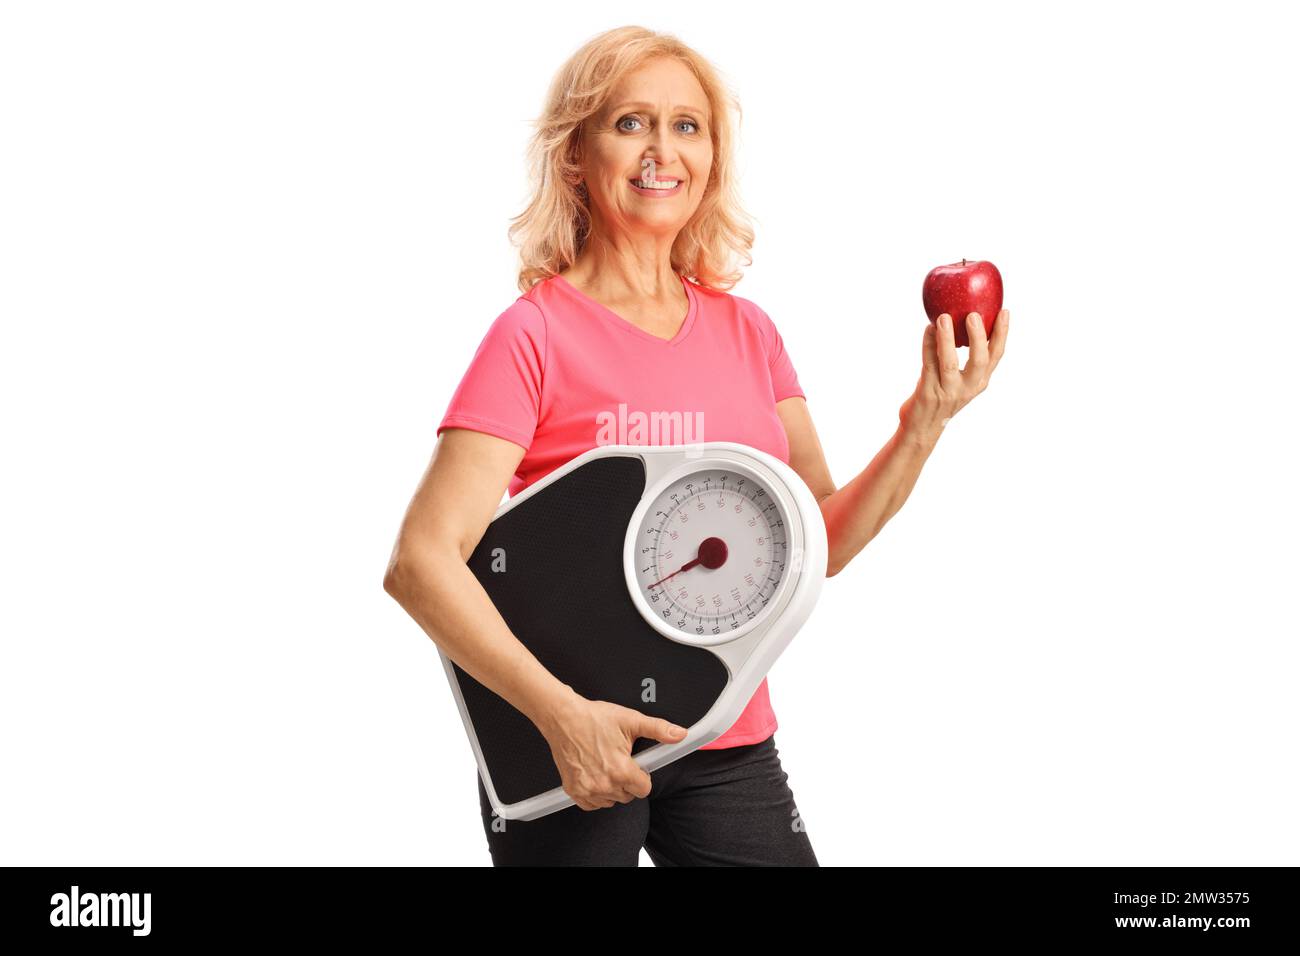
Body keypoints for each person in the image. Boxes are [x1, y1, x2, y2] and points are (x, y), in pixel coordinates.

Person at [382, 26, 1009, 866]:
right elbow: (421, 562)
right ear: (576, 157)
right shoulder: (531, 336)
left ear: (712, 157)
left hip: (724, 738)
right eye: (630, 123)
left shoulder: (750, 333)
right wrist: (563, 718)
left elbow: (815, 542)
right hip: (574, 746)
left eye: (687, 126)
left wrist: (925, 421)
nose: (661, 151)